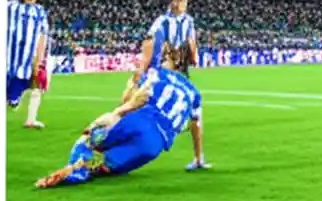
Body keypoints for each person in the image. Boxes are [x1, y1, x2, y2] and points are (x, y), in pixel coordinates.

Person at [36, 43, 208, 189]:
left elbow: (133, 100)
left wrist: (129, 89)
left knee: (90, 136)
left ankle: (75, 167)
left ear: (174, 59)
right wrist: (198, 158)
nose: (163, 59)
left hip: (139, 121)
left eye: (166, 58)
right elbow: (196, 127)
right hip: (154, 145)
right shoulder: (195, 94)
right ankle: (90, 169)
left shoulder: (158, 73)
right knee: (105, 167)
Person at [8, 0, 50, 129]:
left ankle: (31, 120)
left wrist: (40, 58)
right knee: (9, 97)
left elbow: (43, 34)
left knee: (38, 86)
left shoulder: (39, 11)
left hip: (30, 57)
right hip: (9, 59)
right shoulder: (11, 7)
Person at [140, 0, 197, 77]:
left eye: (184, 0)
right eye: (179, 0)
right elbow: (149, 41)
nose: (183, 3)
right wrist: (143, 66)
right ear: (172, 3)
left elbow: (191, 40)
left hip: (180, 65)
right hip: (161, 64)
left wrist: (193, 57)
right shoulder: (162, 20)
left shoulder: (189, 21)